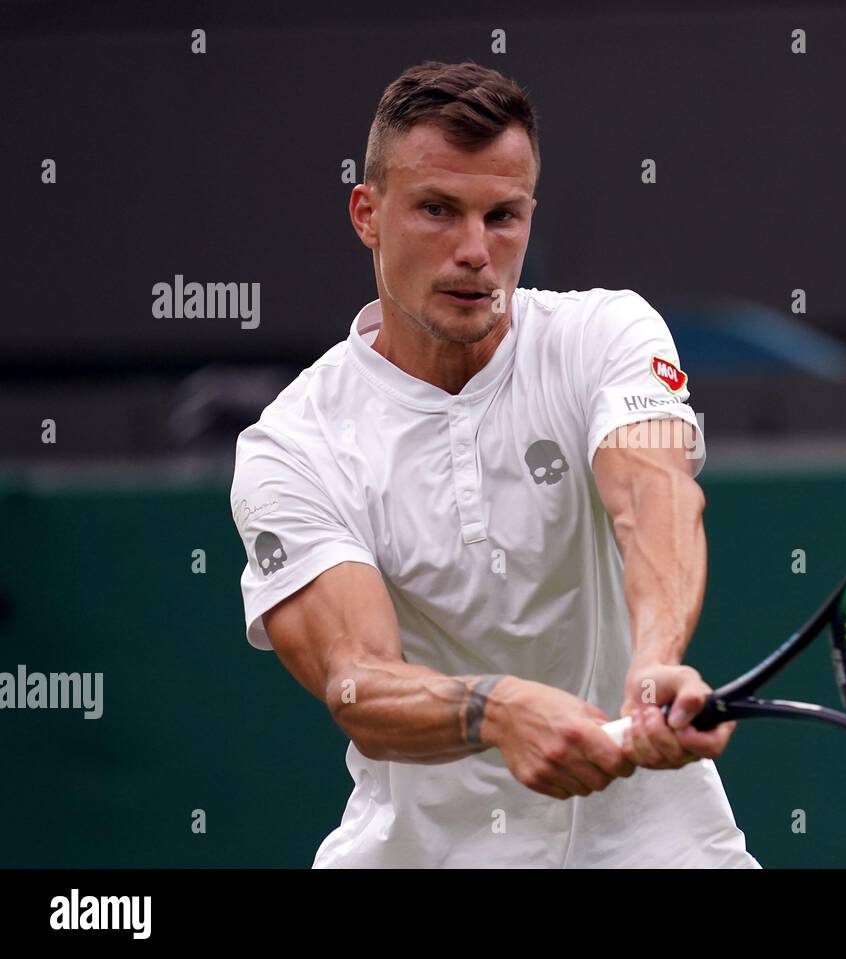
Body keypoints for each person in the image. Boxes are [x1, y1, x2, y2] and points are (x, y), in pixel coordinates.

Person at [229, 60, 759, 867]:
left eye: (503, 216)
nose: (476, 250)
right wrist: (499, 710)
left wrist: (655, 660)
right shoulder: (293, 445)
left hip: (663, 848)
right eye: (438, 210)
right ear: (367, 215)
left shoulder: (606, 333)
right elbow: (357, 679)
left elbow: (654, 500)